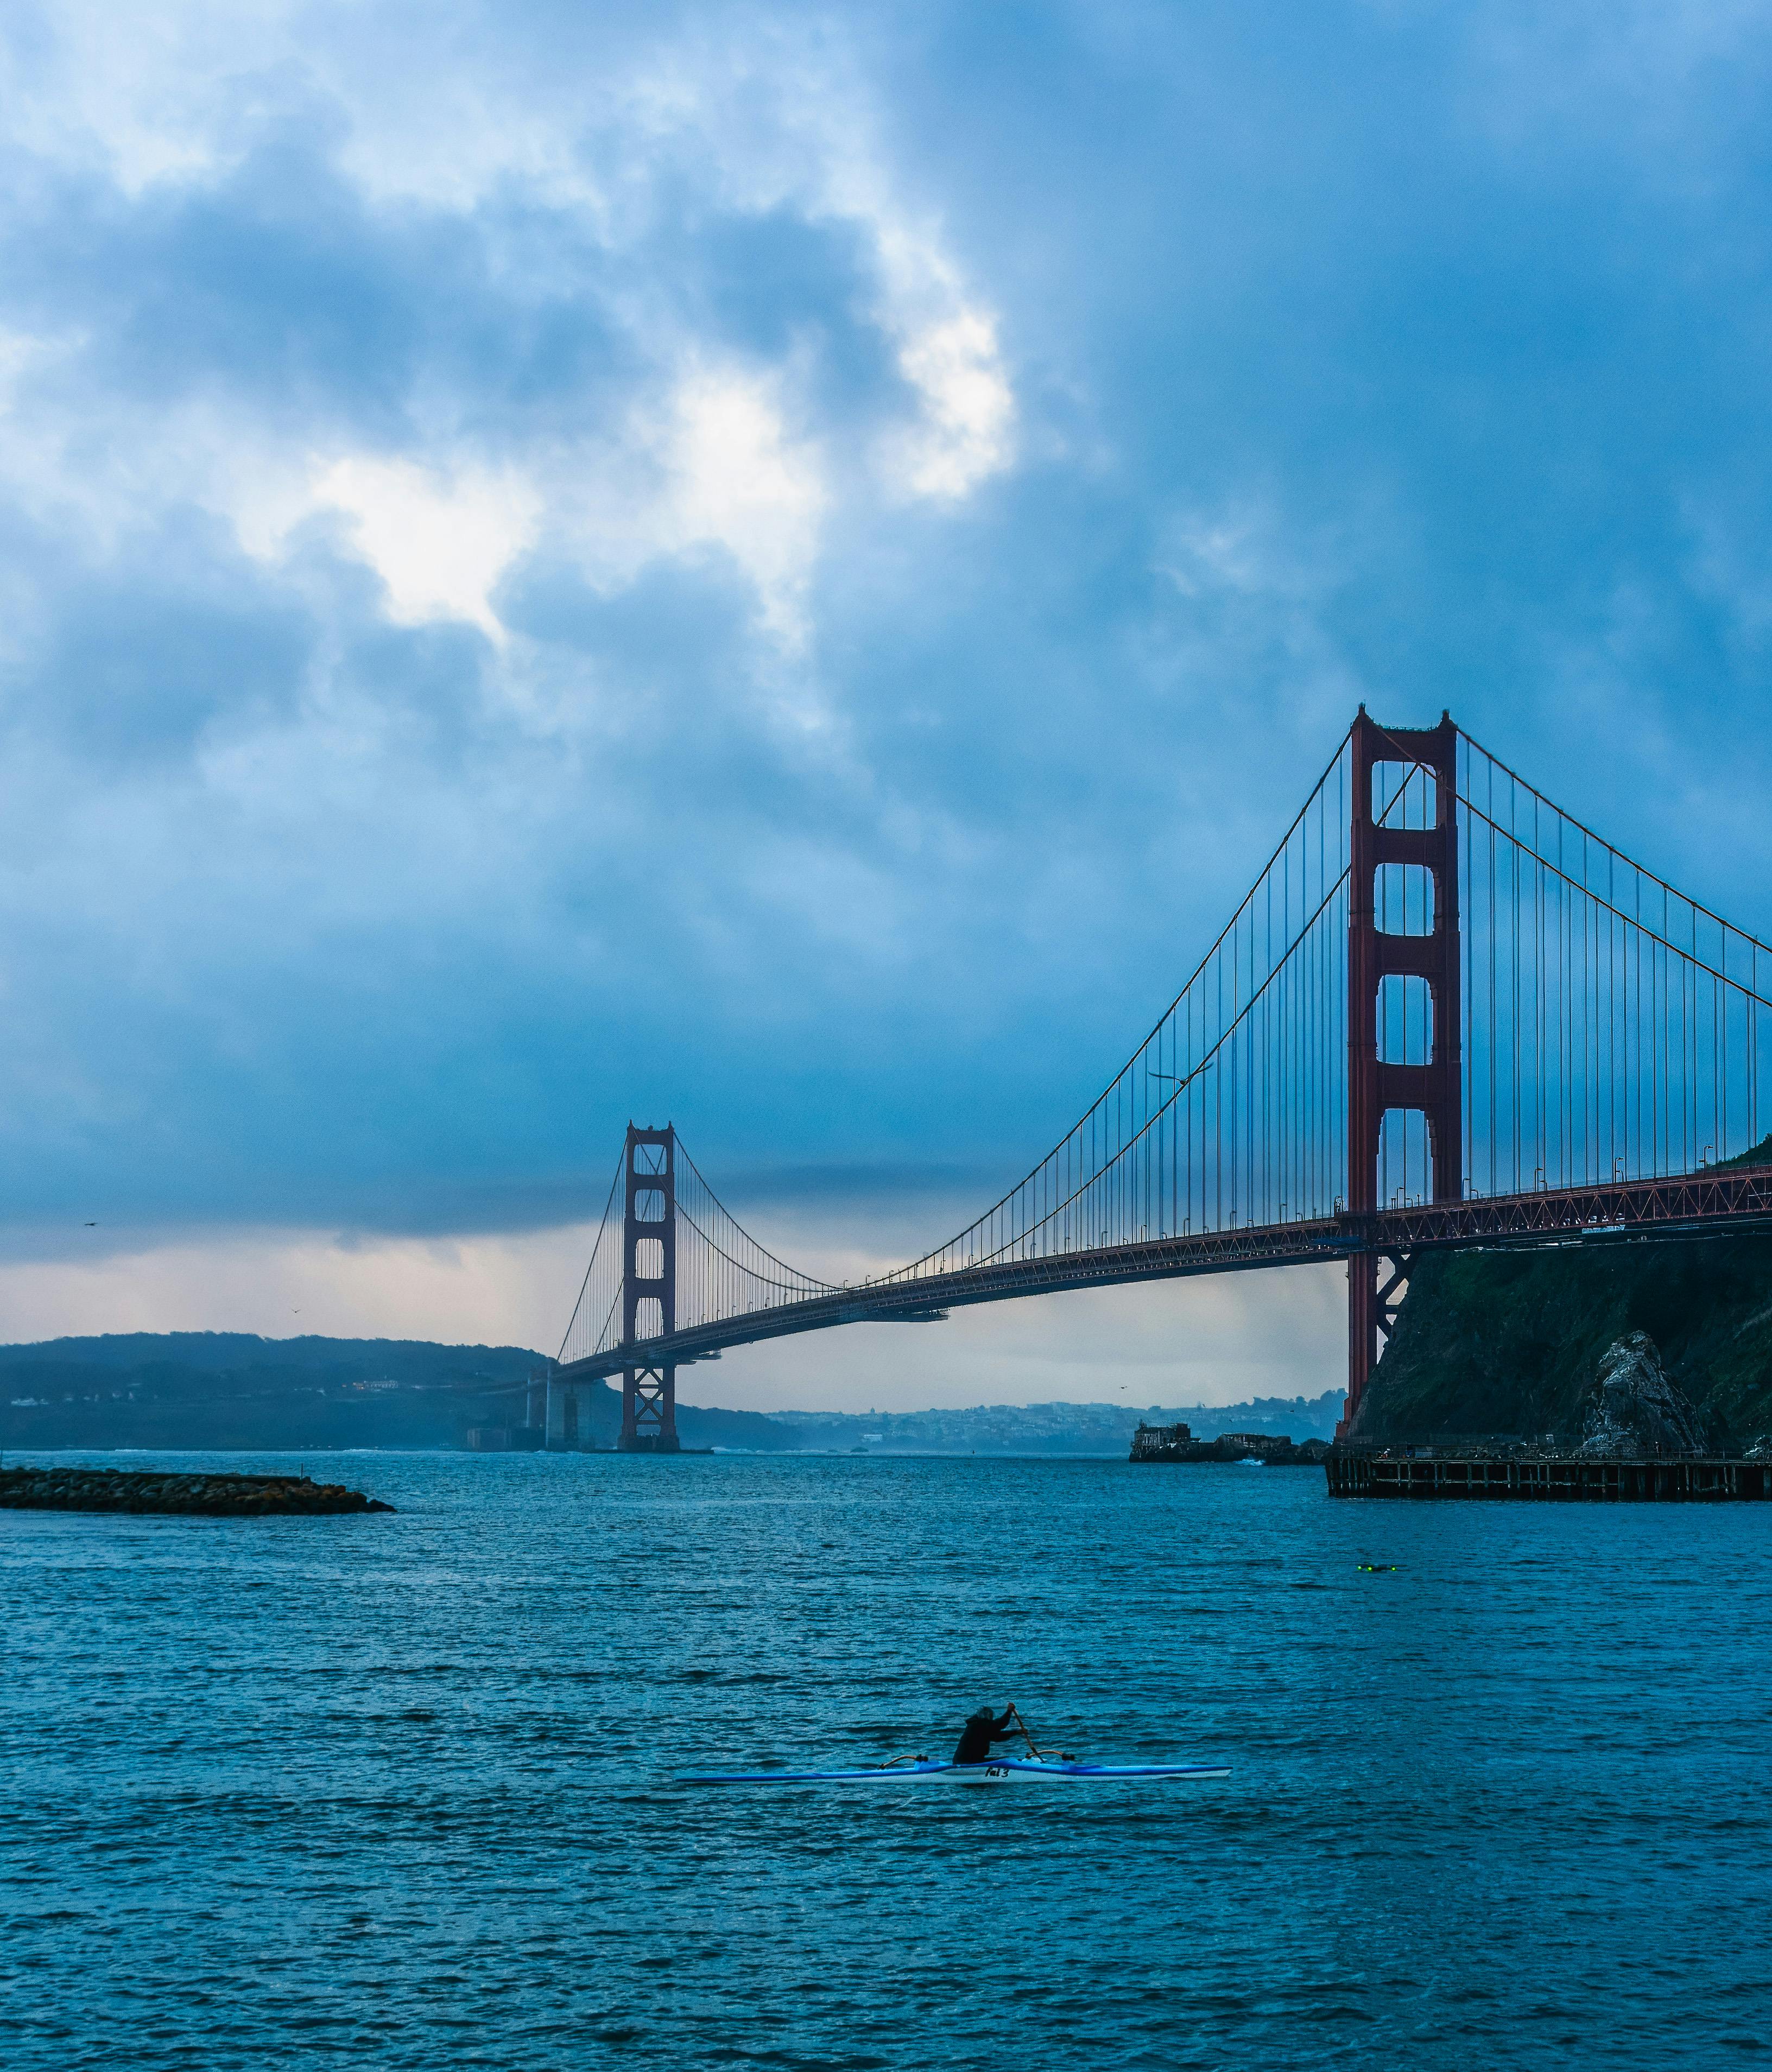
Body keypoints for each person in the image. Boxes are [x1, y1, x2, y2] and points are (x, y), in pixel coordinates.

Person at [953, 1703, 1023, 1765]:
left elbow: (997, 1736)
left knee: (1005, 1759)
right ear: (987, 1716)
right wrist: (1009, 1711)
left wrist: (1016, 1732)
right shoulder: (979, 1725)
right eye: (991, 1717)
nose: (991, 1719)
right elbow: (1000, 1724)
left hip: (969, 1760)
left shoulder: (977, 1725)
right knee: (1005, 1761)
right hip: (967, 1762)